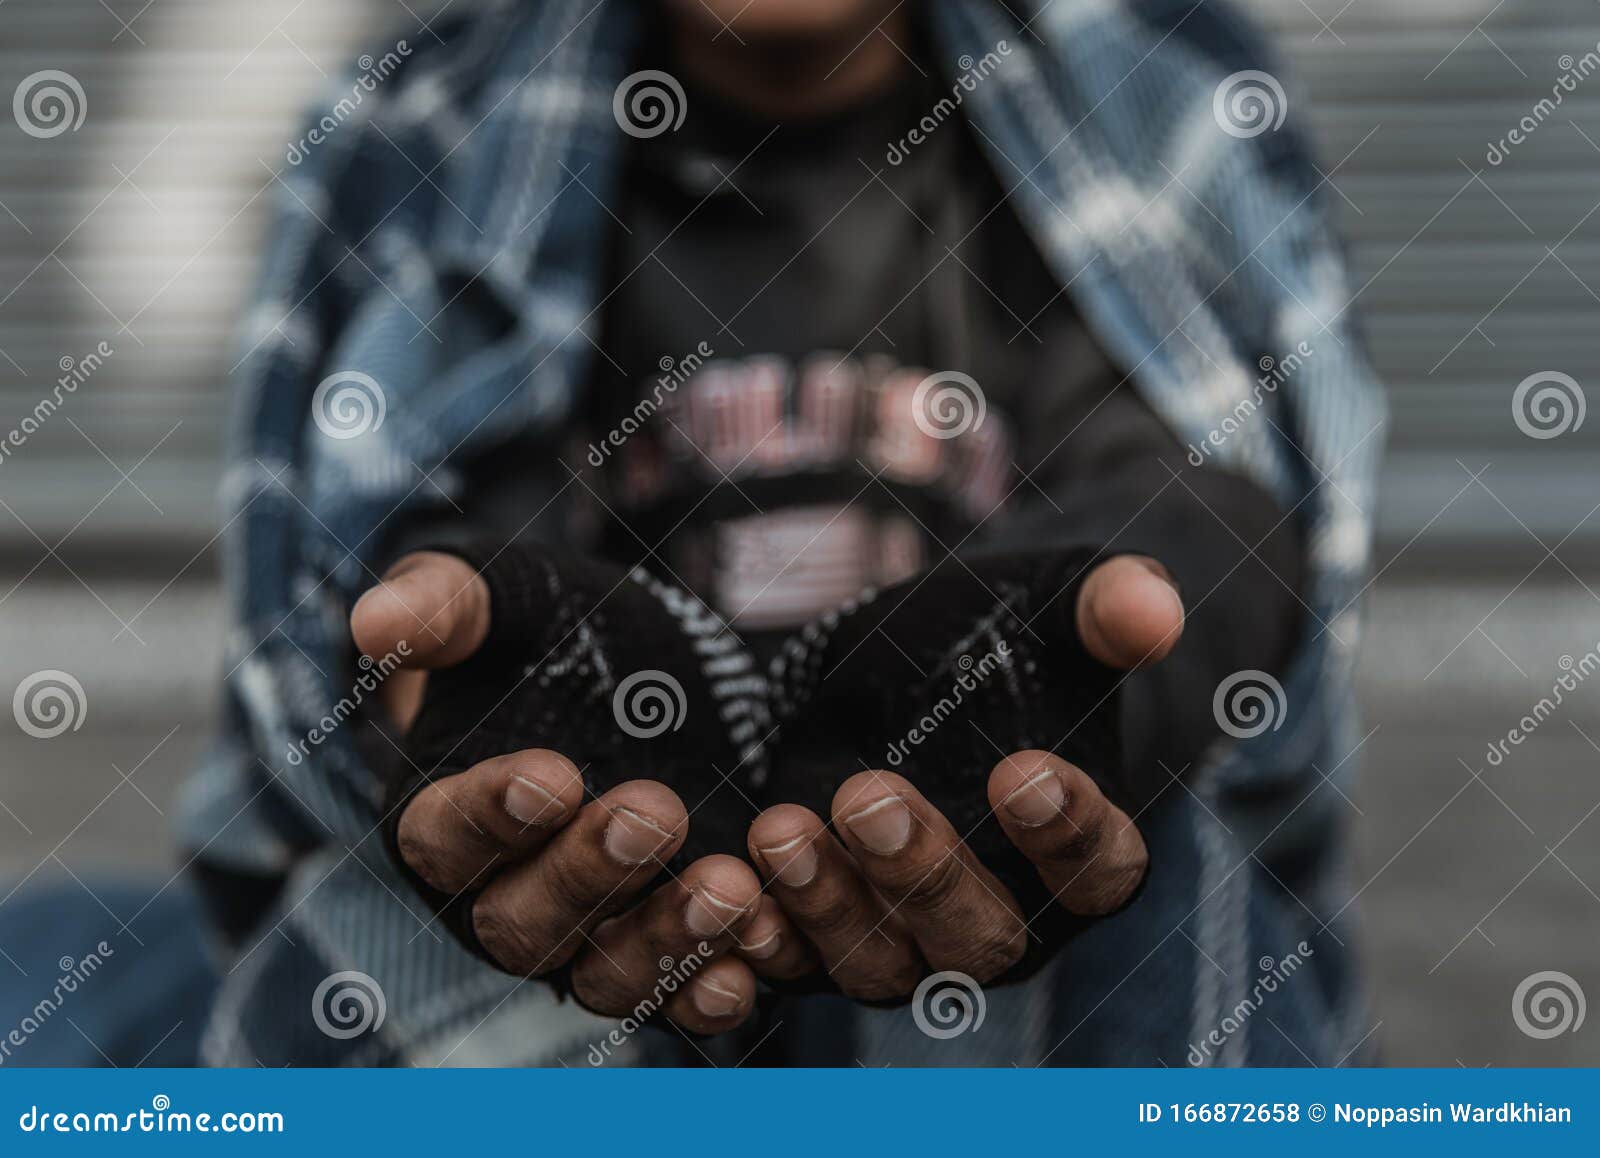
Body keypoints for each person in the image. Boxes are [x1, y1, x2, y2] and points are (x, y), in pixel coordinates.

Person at [175, 0, 1384, 1067]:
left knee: (1166, 889)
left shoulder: (1145, 97)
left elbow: (1205, 501)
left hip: (1020, 902)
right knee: (353, 946)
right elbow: (387, 559)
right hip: (603, 907)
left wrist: (1100, 690)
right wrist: (449, 702)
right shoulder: (419, 136)